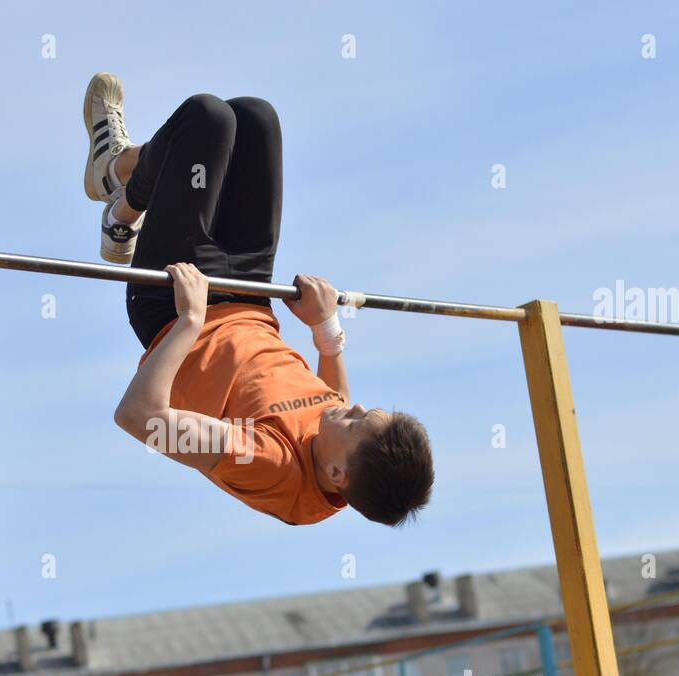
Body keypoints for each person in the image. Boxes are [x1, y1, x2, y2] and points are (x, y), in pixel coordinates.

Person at [83, 73, 433, 526]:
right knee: (254, 118)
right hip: (250, 300)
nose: (357, 407)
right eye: (371, 412)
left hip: (174, 307)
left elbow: (139, 418)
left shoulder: (268, 464)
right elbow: (331, 397)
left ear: (334, 473)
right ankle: (126, 184)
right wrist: (324, 328)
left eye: (355, 422)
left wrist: (190, 322)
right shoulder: (337, 439)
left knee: (205, 117)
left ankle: (118, 189)